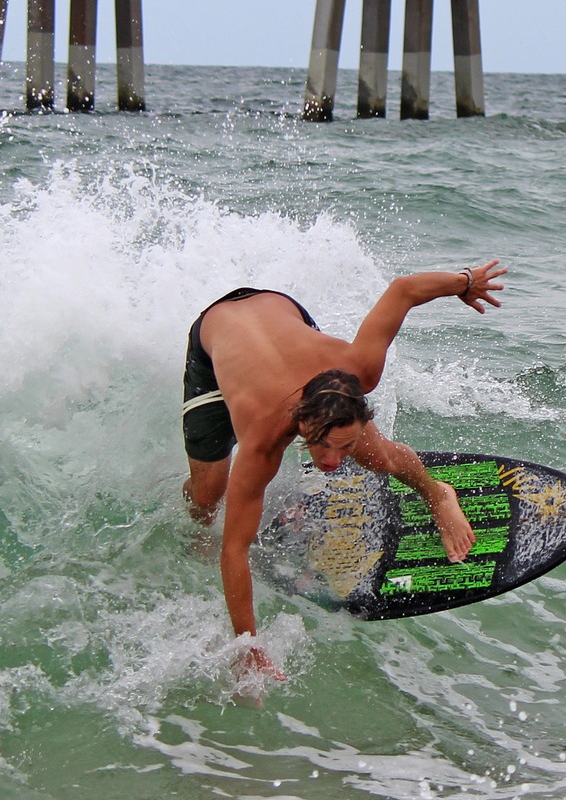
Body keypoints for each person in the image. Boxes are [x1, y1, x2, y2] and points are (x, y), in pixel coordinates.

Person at [181, 263, 508, 666]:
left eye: (343, 445)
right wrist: (249, 646)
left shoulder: (359, 367)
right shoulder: (261, 440)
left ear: (359, 406)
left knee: (378, 456)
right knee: (207, 499)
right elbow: (235, 550)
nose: (333, 463)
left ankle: (437, 494)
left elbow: (403, 290)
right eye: (320, 446)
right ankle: (194, 491)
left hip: (282, 312)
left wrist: (466, 281)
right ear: (301, 424)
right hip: (214, 343)